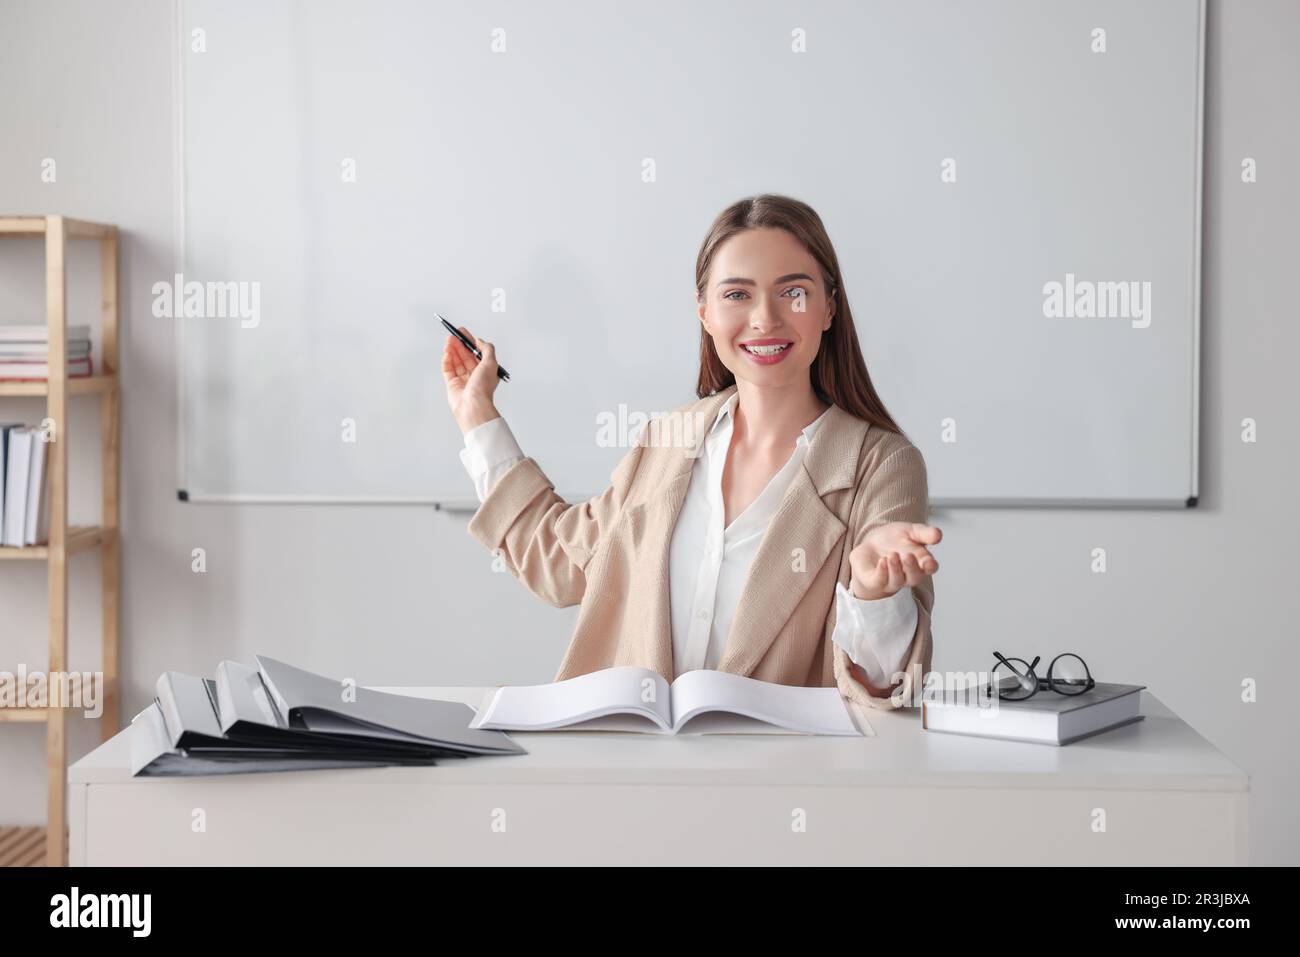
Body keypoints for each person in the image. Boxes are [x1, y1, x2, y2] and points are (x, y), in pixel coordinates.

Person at [441, 194, 941, 712]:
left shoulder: (882, 465)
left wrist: (875, 597)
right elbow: (560, 562)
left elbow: (890, 690)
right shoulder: (667, 440)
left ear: (829, 307)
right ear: (704, 312)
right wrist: (477, 416)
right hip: (638, 776)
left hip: (785, 785)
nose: (765, 318)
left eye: (793, 291)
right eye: (737, 295)